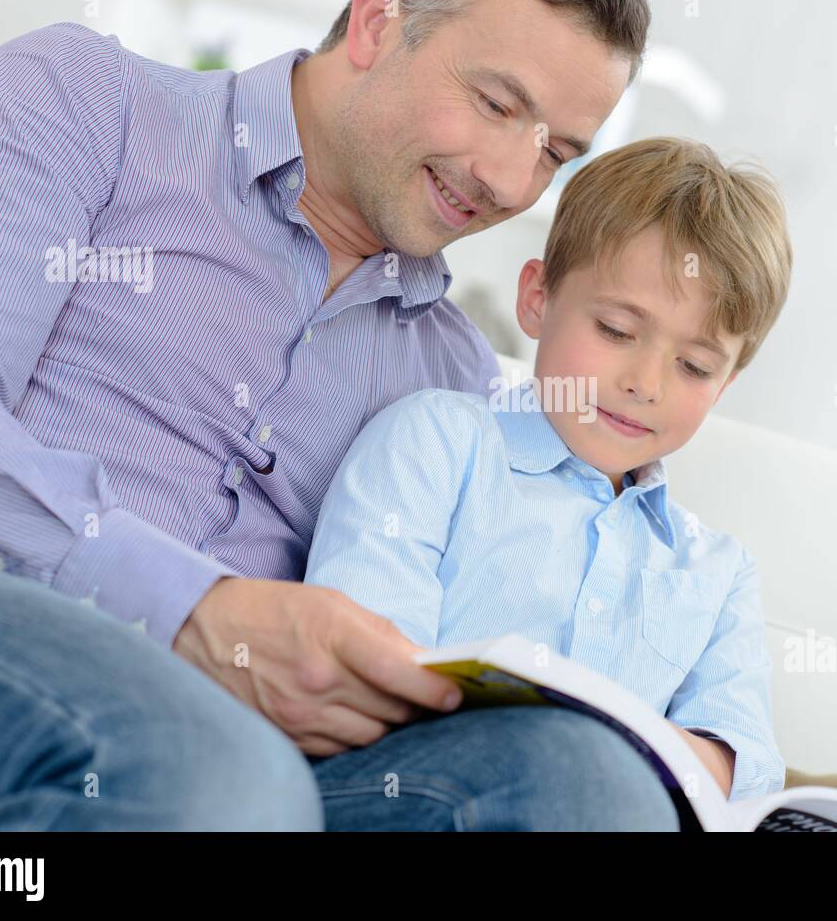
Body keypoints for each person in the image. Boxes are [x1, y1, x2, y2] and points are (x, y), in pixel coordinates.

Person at [0, 0, 664, 830]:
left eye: (556, 152)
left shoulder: (457, 381)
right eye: (495, 105)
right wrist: (189, 609)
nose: (512, 183)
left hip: (284, 761)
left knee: (593, 792)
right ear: (377, 19)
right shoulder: (87, 105)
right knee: (222, 778)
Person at [304, 136, 794, 821]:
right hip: (400, 795)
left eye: (694, 367)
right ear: (537, 297)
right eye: (617, 329)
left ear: (727, 384)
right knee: (576, 770)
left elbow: (736, 772)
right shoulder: (439, 442)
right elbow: (361, 669)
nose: (644, 383)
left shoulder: (719, 574)